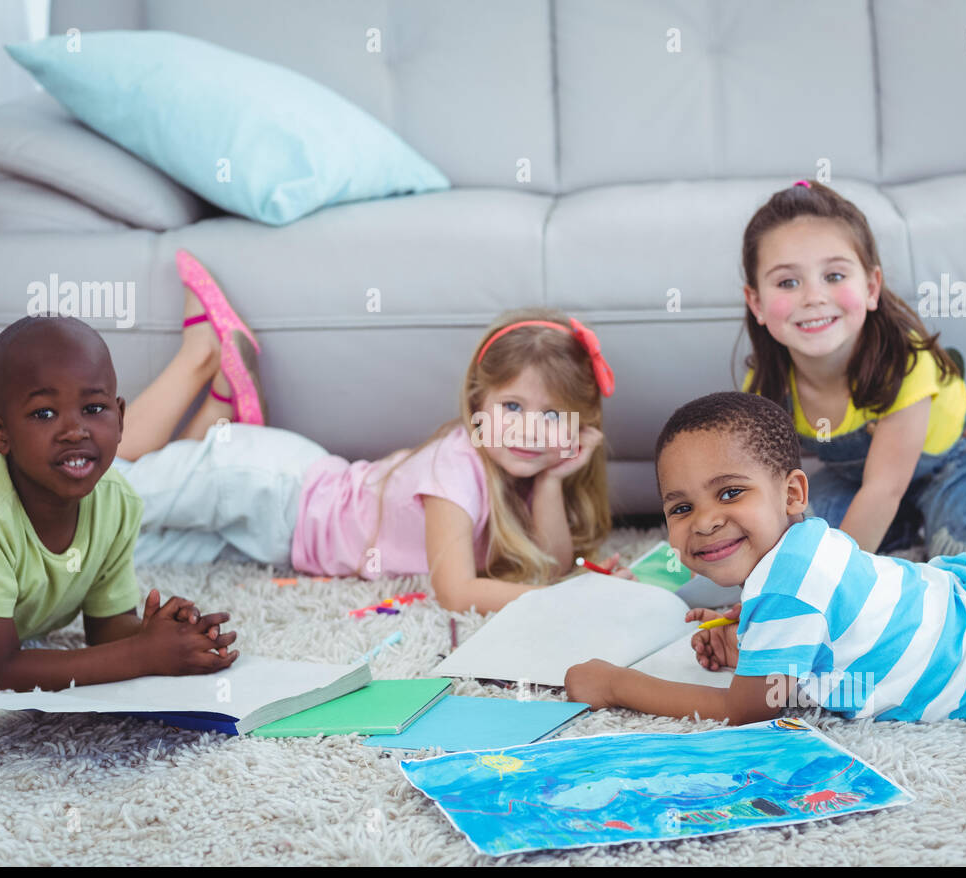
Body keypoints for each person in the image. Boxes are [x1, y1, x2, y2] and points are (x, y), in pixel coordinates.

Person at [565, 381, 966, 723]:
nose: (704, 522)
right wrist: (746, 635)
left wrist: (618, 686)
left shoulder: (785, 584)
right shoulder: (807, 550)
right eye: (679, 508)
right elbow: (822, 651)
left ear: (793, 493)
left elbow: (748, 711)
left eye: (730, 492)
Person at [111, 251, 617, 613]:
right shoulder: (455, 467)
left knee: (118, 550)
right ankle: (201, 357)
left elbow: (548, 564)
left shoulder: (526, 473)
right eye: (512, 405)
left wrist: (553, 477)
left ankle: (220, 418)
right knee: (99, 492)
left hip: (273, 540)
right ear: (476, 404)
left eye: (551, 417)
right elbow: (457, 592)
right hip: (270, 488)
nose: (529, 430)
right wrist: (565, 602)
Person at [0, 316, 237, 689]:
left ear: (121, 417)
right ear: (1, 434)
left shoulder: (116, 502)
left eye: (94, 408)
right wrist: (142, 654)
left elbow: (106, 627)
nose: (75, 431)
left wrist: (158, 634)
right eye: (44, 413)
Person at [738, 180, 966, 556]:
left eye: (834, 276)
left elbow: (883, 490)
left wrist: (825, 584)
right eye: (788, 282)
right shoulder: (766, 386)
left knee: (960, 547)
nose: (813, 297)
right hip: (864, 476)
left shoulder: (905, 365)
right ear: (756, 302)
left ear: (871, 287)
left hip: (959, 458)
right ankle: (906, 524)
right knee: (803, 529)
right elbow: (764, 490)